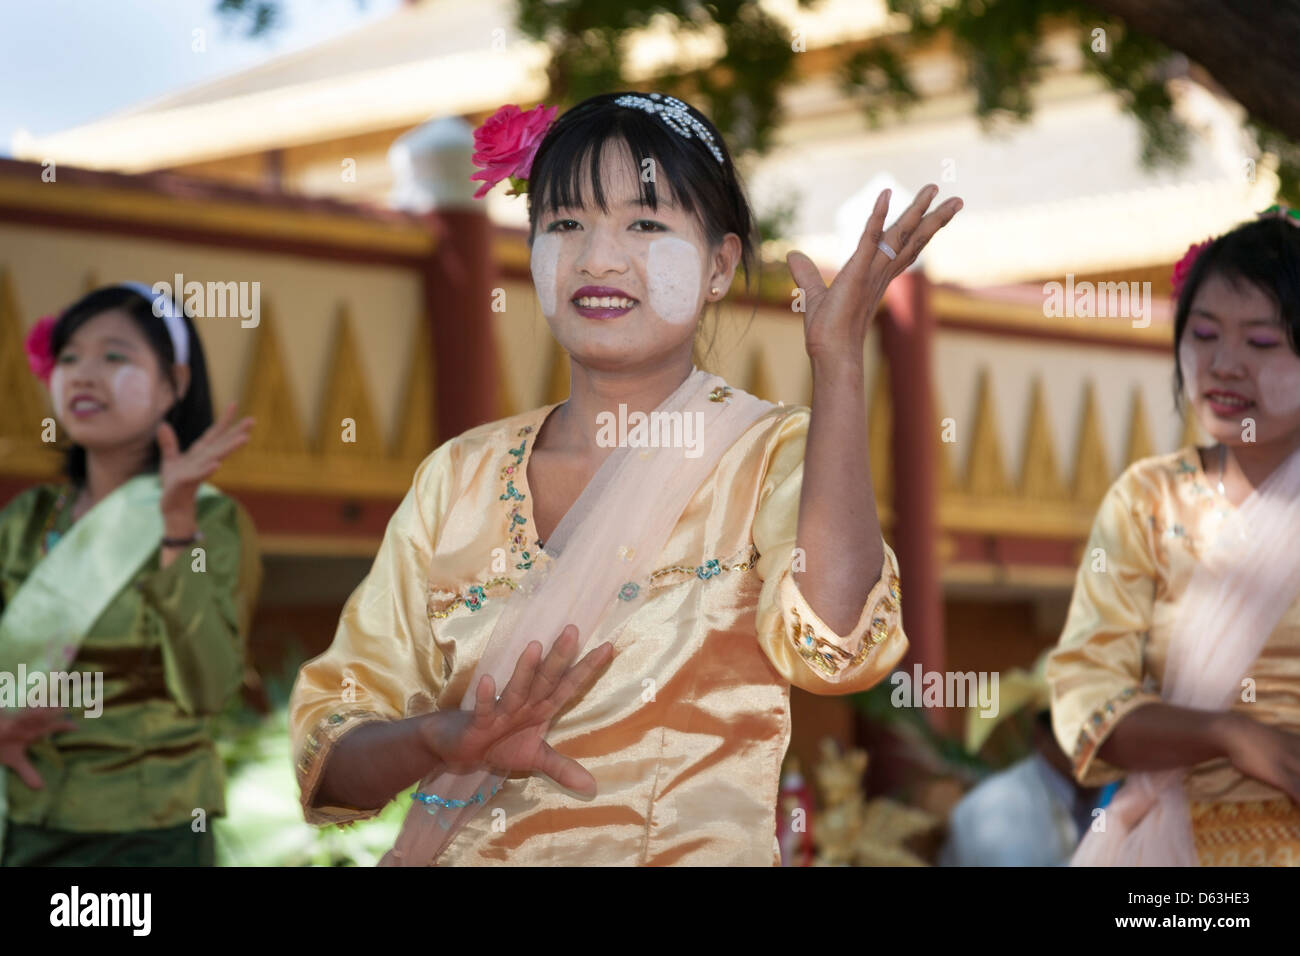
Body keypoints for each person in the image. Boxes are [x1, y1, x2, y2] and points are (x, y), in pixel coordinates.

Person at [289, 91, 962, 866]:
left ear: (719, 266)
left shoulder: (768, 455)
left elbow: (838, 651)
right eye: (566, 223)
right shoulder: (458, 477)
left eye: (644, 224)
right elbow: (330, 749)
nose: (598, 257)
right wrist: (443, 736)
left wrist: (839, 366)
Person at [1048, 212, 1300, 866]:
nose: (1223, 364)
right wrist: (1225, 734)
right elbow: (1087, 699)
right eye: (1204, 334)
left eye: (1263, 342)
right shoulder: (1150, 499)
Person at [0, 283, 261, 866]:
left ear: (176, 384)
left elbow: (210, 688)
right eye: (68, 357)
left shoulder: (212, 521)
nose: (83, 374)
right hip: (23, 825)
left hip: (148, 834)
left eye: (114, 356)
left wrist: (174, 524)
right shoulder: (26, 521)